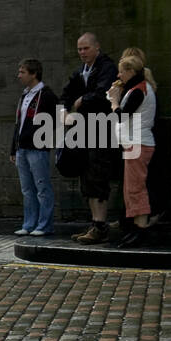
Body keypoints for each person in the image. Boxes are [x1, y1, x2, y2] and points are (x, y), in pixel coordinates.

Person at [60, 32, 118, 244]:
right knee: (86, 177)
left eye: (86, 48)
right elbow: (66, 94)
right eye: (79, 49)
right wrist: (64, 110)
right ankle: (95, 223)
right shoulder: (81, 72)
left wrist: (82, 100)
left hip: (102, 130)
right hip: (85, 130)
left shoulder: (107, 67)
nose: (82, 52)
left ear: (97, 47)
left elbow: (103, 95)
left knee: (98, 176)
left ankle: (100, 226)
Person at [106, 55, 157, 247]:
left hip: (138, 144)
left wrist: (114, 102)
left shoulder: (139, 90)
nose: (119, 75)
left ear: (130, 71)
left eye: (121, 71)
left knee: (135, 188)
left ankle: (141, 230)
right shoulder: (137, 88)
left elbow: (122, 116)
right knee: (131, 188)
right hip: (134, 143)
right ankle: (136, 228)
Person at [10, 58, 57, 236]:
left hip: (37, 148)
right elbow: (18, 123)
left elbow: (56, 119)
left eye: (22, 72)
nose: (19, 75)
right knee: (27, 189)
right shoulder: (24, 95)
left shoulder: (46, 95)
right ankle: (29, 224)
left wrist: (44, 138)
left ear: (34, 74)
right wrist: (13, 148)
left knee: (42, 187)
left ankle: (44, 225)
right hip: (22, 148)